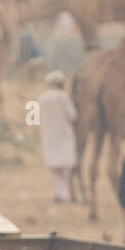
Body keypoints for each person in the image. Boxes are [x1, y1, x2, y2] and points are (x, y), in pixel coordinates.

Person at [38, 71, 78, 203]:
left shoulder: (42, 98)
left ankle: (59, 194)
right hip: (64, 135)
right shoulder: (64, 97)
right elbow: (73, 116)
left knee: (55, 169)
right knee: (65, 169)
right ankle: (65, 195)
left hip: (49, 136)